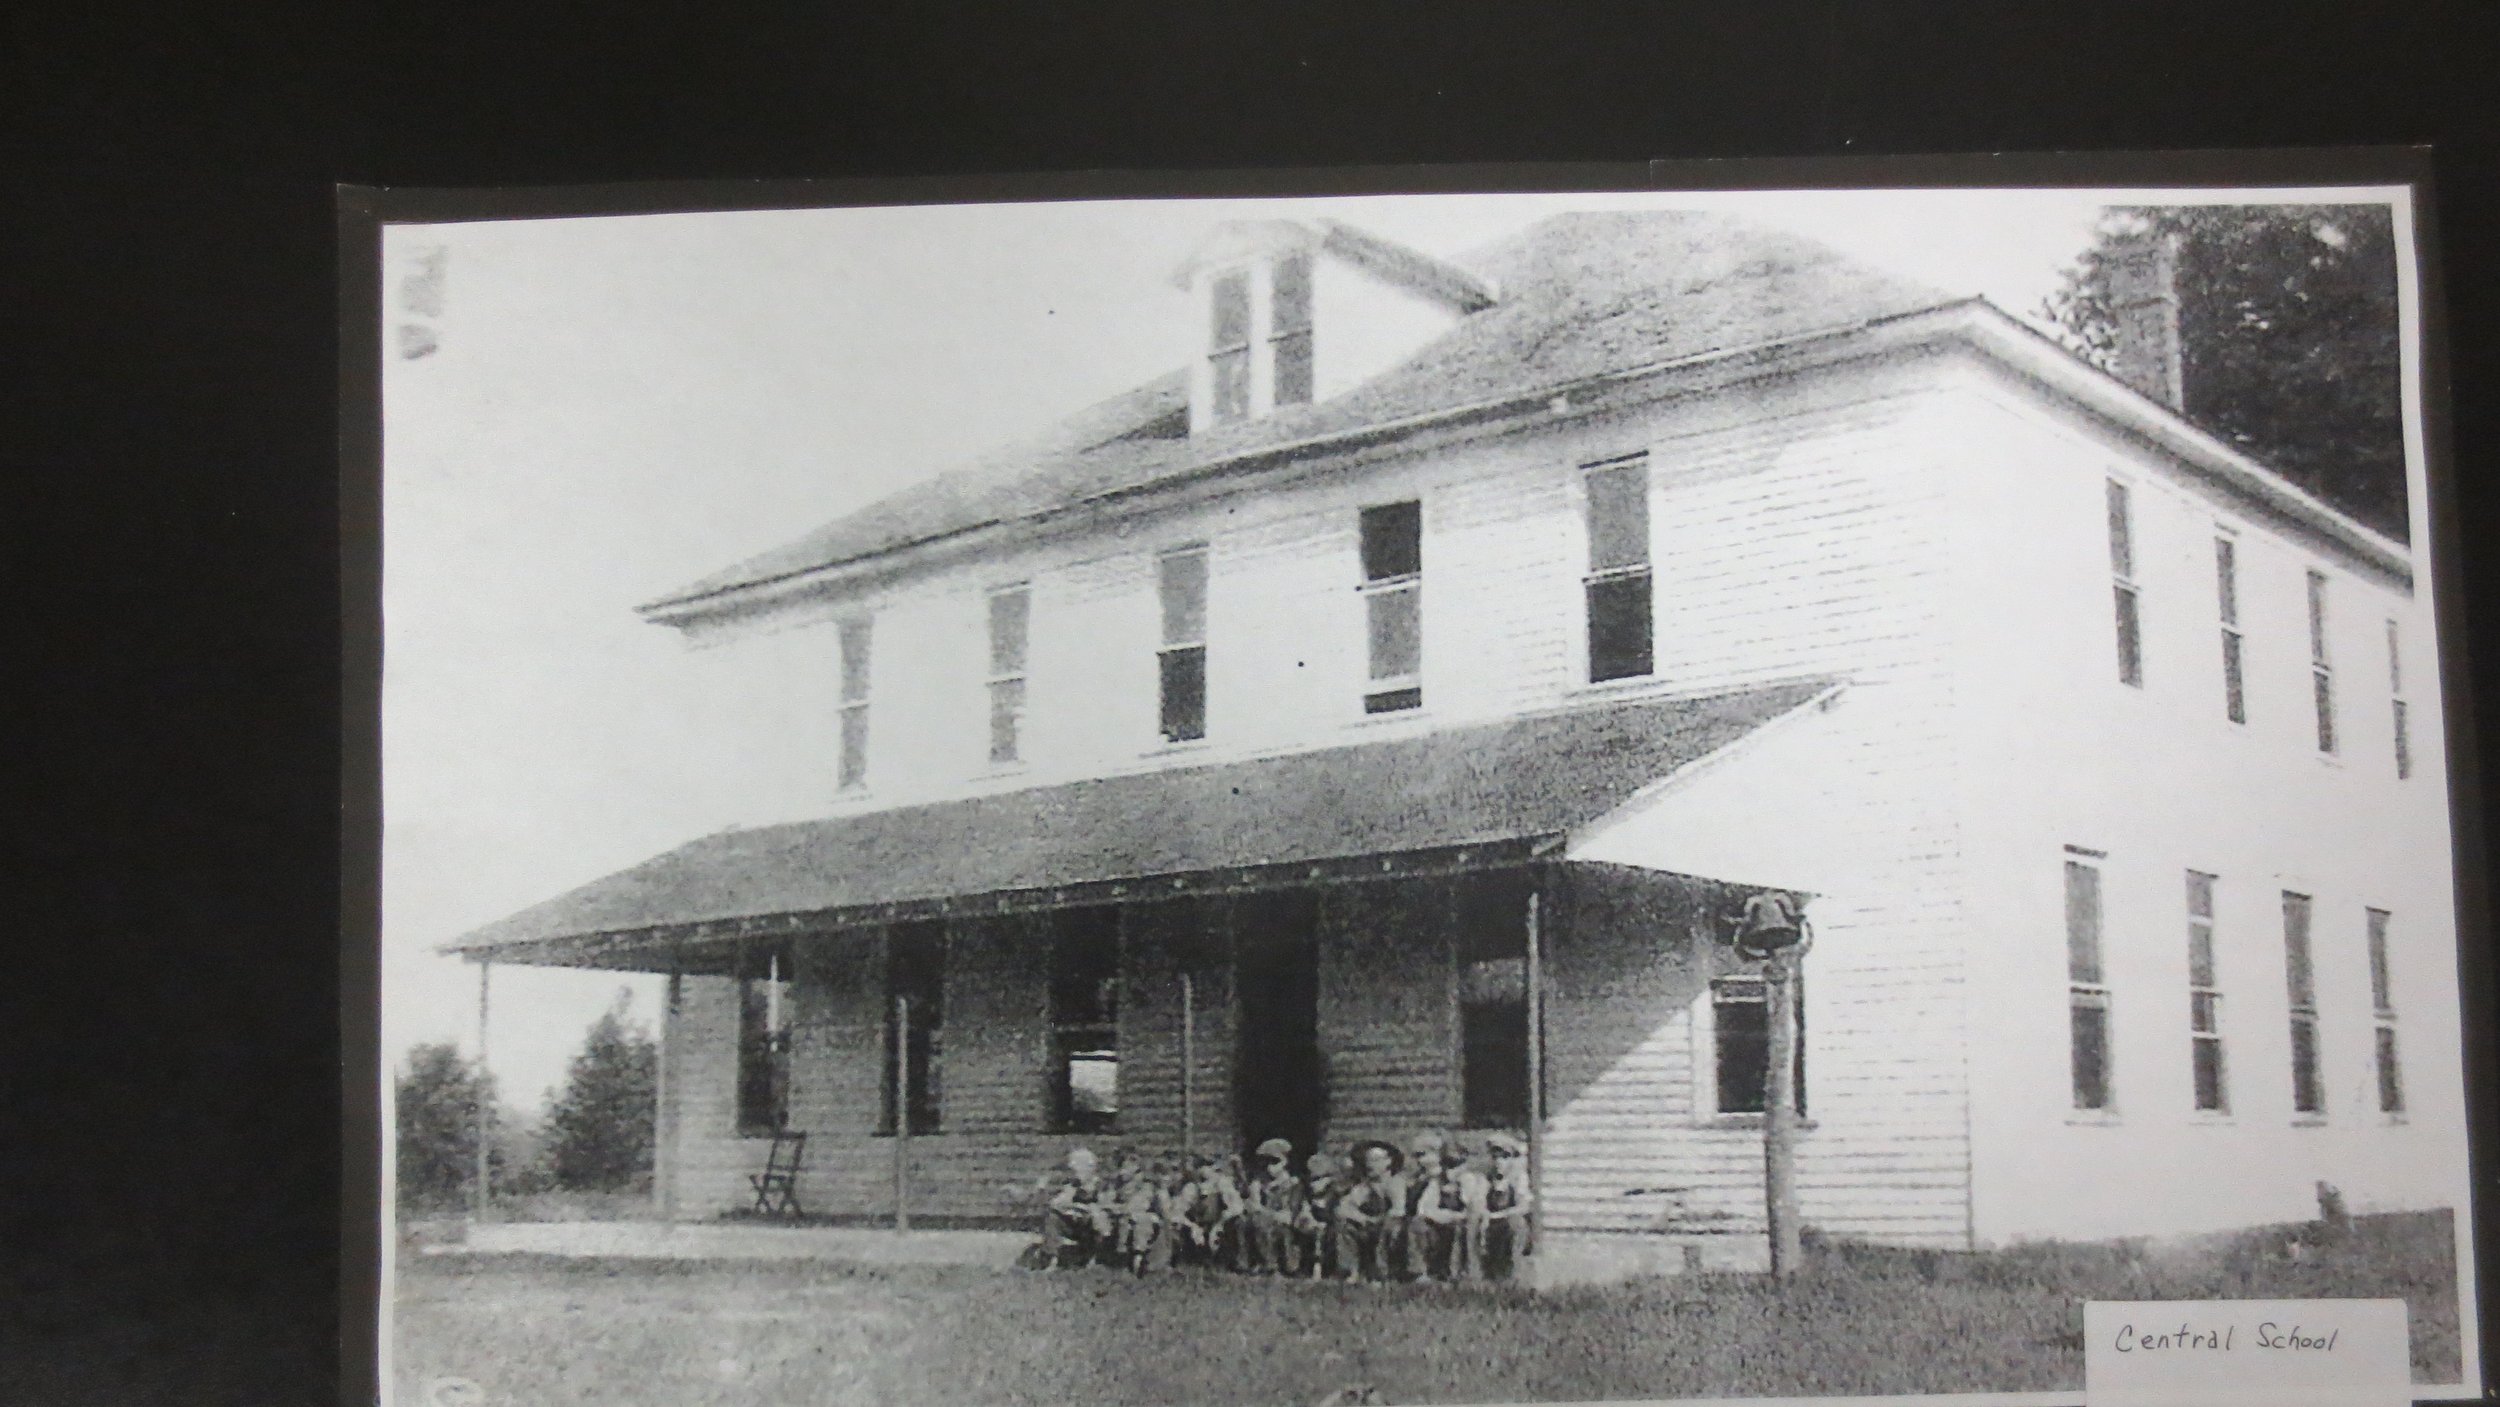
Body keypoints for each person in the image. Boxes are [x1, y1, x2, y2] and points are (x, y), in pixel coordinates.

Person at [1329, 1140, 1407, 1282]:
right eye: (1368, 1160)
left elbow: (1398, 1210)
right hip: (1372, 1225)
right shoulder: (1364, 1186)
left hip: (1395, 1228)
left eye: (1376, 1160)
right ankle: (1350, 1271)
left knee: (1390, 1227)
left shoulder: (1396, 1182)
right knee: (1346, 1225)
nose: (1370, 1164)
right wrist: (1363, 1219)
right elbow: (1343, 1207)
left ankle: (1384, 1272)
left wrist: (1379, 1221)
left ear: (1388, 1161)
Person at [1414, 1134, 1489, 1281]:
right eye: (1447, 1164)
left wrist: (1461, 1186)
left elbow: (1473, 1208)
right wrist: (1444, 1215)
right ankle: (1424, 1271)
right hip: (1445, 1221)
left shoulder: (1475, 1180)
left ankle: (1466, 1272)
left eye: (1456, 1165)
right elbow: (1424, 1208)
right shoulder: (1437, 1182)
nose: (1450, 1171)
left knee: (1467, 1227)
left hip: (1471, 1223)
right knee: (1418, 1224)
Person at [1042, 1146, 1114, 1270]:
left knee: (1097, 1220)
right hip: (1073, 1223)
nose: (1075, 1171)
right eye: (1074, 1168)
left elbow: (1106, 1206)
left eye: (1080, 1167)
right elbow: (1056, 1203)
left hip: (1091, 1225)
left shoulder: (1100, 1185)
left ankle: (1093, 1259)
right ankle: (1053, 1259)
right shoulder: (1071, 1184)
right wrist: (1071, 1204)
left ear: (1091, 1168)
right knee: (1053, 1217)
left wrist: (1086, 1208)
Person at [1171, 1153, 1244, 1270]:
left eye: (1209, 1166)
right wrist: (1193, 1226)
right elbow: (1176, 1214)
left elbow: (1237, 1207)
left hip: (1220, 1228)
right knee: (1177, 1228)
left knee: (1237, 1223)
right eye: (1201, 1167)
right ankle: (1186, 1259)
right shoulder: (1191, 1188)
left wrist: (1219, 1225)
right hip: (1199, 1229)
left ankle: (1231, 1261)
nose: (1205, 1170)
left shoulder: (1223, 1184)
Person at [1242, 1137, 1303, 1275]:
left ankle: (1276, 1265)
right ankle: (1253, 1263)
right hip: (1266, 1222)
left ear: (1286, 1163)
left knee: (1263, 1221)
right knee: (1248, 1221)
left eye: (1275, 1162)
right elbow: (1253, 1204)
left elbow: (1289, 1216)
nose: (1269, 1167)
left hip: (1285, 1226)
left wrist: (1265, 1213)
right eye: (1266, 1162)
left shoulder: (1292, 1185)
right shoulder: (1260, 1183)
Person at [1479, 1131, 1533, 1281]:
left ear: (1512, 1159)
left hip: (1511, 1223)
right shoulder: (1488, 1178)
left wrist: (1498, 1215)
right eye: (1495, 1157)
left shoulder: (1518, 1178)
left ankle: (1514, 1274)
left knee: (1516, 1225)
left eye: (1504, 1157)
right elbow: (1481, 1201)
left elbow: (1524, 1206)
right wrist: (1483, 1214)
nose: (1499, 1162)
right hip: (1492, 1224)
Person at [1293, 1150, 1342, 1280]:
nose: (1313, 1184)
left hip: (1331, 1227)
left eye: (1318, 1179)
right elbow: (1303, 1210)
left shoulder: (1334, 1194)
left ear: (1329, 1179)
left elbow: (1337, 1214)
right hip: (1313, 1225)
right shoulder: (1306, 1193)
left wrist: (1324, 1220)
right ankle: (1305, 1266)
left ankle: (1329, 1268)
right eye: (1311, 1179)